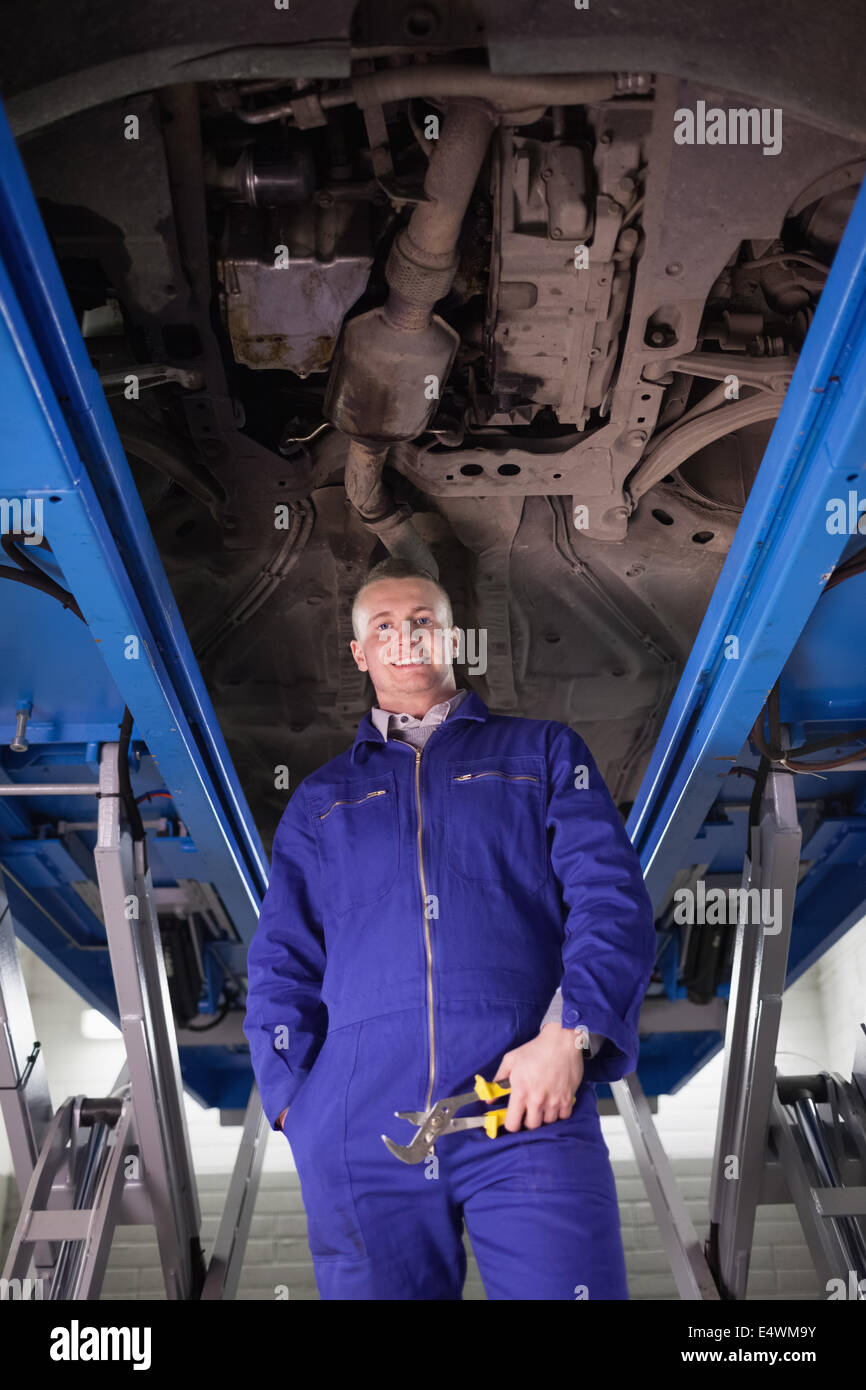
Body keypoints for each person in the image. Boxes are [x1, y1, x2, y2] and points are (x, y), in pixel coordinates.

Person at [243, 556, 656, 1299]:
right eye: (384, 627)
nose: (406, 638)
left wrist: (571, 1036)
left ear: (455, 638)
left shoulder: (540, 753)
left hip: (522, 1099)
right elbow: (282, 958)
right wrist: (294, 1104)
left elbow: (610, 899)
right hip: (357, 1124)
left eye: (424, 622)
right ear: (359, 652)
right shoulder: (322, 799)